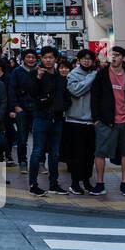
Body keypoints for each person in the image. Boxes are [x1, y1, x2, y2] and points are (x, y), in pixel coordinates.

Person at [90, 45, 125, 196]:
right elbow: (95, 97)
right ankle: (100, 183)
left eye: (117, 55)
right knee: (100, 152)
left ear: (123, 58)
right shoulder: (102, 75)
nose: (113, 57)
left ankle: (124, 183)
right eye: (111, 55)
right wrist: (96, 119)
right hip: (106, 121)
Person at [30, 45, 71, 195]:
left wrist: (62, 106)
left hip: (57, 119)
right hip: (41, 118)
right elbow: (32, 93)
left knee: (55, 153)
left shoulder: (61, 78)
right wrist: (39, 78)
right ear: (41, 59)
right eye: (45, 57)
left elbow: (66, 97)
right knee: (38, 151)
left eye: (51, 57)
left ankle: (54, 184)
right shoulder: (36, 75)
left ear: (56, 59)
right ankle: (33, 184)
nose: (48, 60)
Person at [63, 50, 98, 194]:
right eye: (84, 59)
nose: (87, 61)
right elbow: (76, 91)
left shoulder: (96, 74)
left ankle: (87, 180)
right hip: (75, 121)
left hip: (91, 122)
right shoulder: (73, 75)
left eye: (89, 59)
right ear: (78, 60)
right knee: (77, 154)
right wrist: (92, 76)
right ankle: (75, 182)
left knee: (90, 154)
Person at [8, 49, 39, 169]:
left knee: (39, 137)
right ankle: (22, 161)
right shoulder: (17, 72)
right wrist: (15, 106)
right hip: (22, 109)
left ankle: (39, 161)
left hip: (37, 109)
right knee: (22, 137)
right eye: (28, 57)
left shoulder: (40, 71)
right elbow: (11, 90)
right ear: (23, 58)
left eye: (33, 57)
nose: (31, 59)